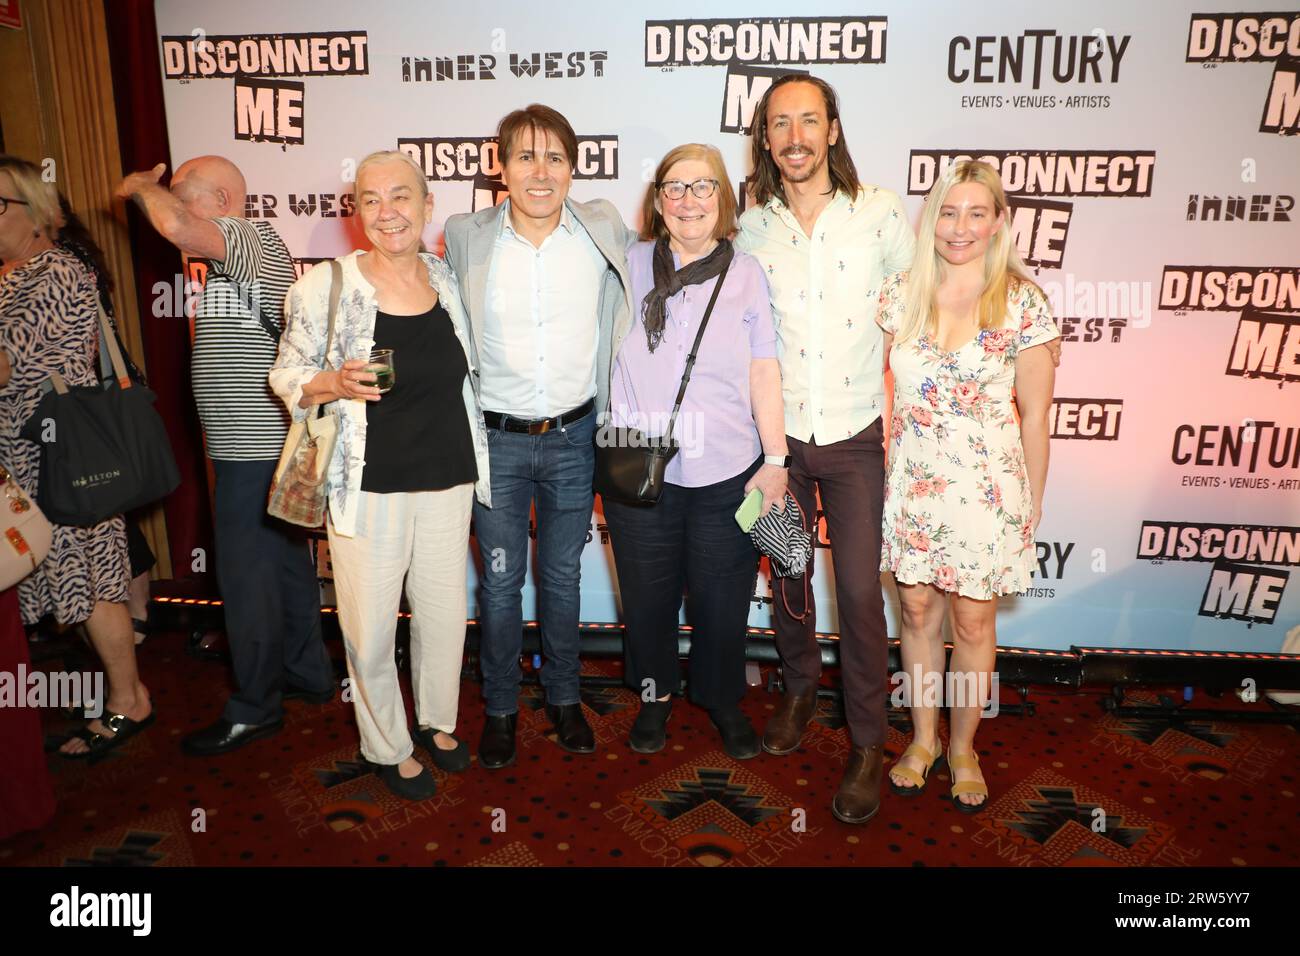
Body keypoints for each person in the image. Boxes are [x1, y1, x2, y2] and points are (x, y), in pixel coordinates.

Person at [270, 149, 491, 801]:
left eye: (401, 196)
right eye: (371, 198)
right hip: (366, 487)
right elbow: (284, 374)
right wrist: (333, 381)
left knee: (444, 615)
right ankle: (387, 744)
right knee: (369, 629)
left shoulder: (445, 278)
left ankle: (436, 721)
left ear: (428, 206)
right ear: (357, 211)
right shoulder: (325, 286)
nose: (387, 210)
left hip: (449, 477)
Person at [734, 76, 916, 824]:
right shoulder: (752, 226)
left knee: (862, 601)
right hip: (779, 443)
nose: (796, 135)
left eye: (810, 120)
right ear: (766, 139)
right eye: (782, 124)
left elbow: (914, 315)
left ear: (833, 130)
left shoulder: (878, 213)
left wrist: (911, 419)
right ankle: (802, 684)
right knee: (788, 572)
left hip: (857, 440)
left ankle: (869, 740)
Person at [118, 155, 333, 755]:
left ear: (217, 199)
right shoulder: (233, 258)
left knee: (246, 582)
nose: (173, 206)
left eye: (182, 196)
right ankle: (308, 676)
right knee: (286, 568)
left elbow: (174, 228)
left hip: (255, 453)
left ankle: (255, 707)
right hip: (261, 449)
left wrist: (140, 184)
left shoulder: (244, 234)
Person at [443, 104, 633, 770]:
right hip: (495, 440)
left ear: (574, 167)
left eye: (554, 156)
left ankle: (563, 699)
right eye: (524, 156)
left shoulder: (602, 228)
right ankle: (499, 709)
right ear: (500, 167)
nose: (540, 171)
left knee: (559, 578)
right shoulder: (466, 236)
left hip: (574, 438)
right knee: (498, 585)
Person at [877, 160, 1057, 812]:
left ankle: (963, 747)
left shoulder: (1024, 302)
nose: (960, 226)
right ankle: (923, 740)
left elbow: (1036, 415)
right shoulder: (901, 294)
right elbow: (878, 394)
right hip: (915, 483)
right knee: (918, 613)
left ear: (998, 221)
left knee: (975, 621)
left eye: (976, 212)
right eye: (948, 211)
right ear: (932, 218)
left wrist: (1029, 507)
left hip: (987, 488)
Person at [603, 144, 786, 758]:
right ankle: (654, 698)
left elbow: (765, 369)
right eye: (674, 188)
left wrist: (777, 458)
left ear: (723, 199)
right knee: (647, 596)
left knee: (722, 598)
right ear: (657, 201)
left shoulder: (748, 273)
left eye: (703, 187)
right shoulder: (624, 264)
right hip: (636, 463)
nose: (688, 200)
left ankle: (721, 699)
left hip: (727, 467)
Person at [0, 155, 152, 758]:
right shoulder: (12, 272)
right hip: (21, 456)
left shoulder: (56, 270)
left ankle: (128, 700)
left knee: (90, 584)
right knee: (69, 586)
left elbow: (6, 364)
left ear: (32, 211)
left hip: (59, 455)